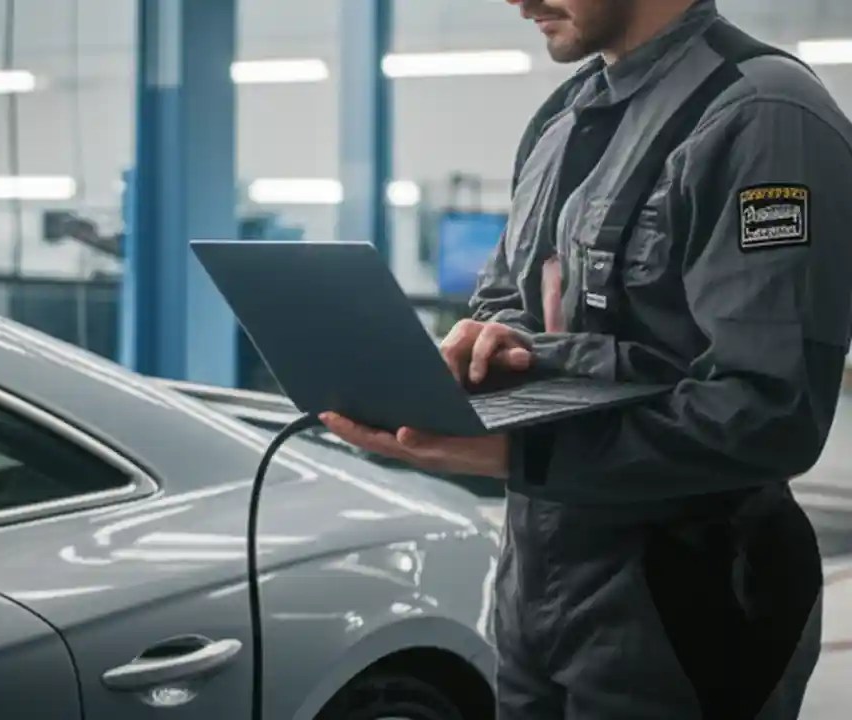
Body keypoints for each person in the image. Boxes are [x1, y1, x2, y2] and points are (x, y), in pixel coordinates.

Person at [320, 0, 852, 717]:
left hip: (684, 601)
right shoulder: (560, 119)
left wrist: (517, 454)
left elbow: (767, 412)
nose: (519, 0)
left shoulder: (765, 118)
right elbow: (505, 300)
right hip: (535, 582)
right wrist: (488, 348)